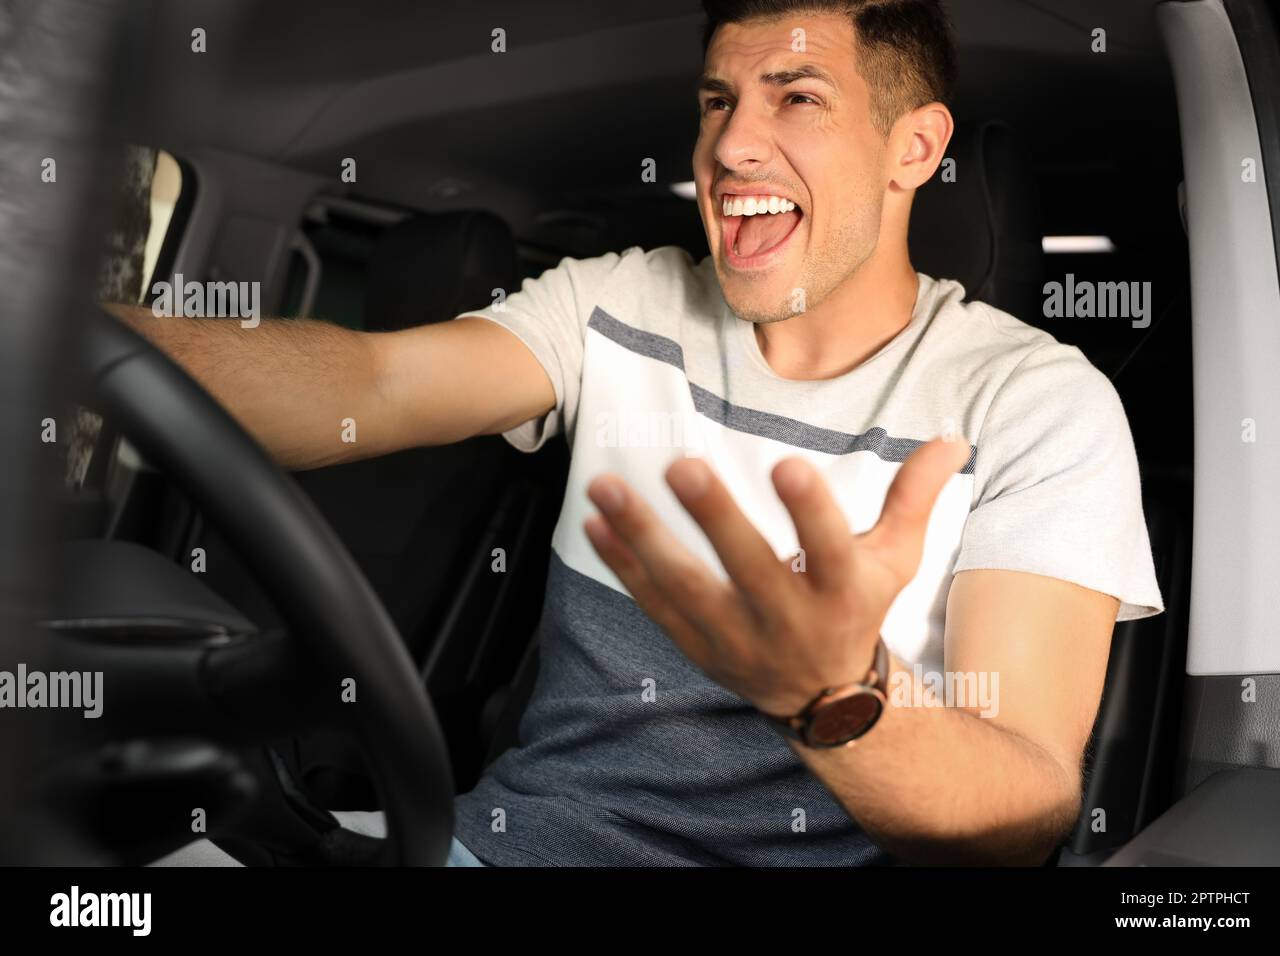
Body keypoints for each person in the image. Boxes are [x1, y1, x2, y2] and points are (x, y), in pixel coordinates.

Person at [117, 0, 1164, 867]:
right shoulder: (623, 301)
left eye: (797, 97)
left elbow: (1025, 808)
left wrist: (838, 696)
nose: (730, 145)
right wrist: (82, 341)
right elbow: (374, 381)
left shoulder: (1035, 402)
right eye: (717, 101)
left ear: (914, 148)